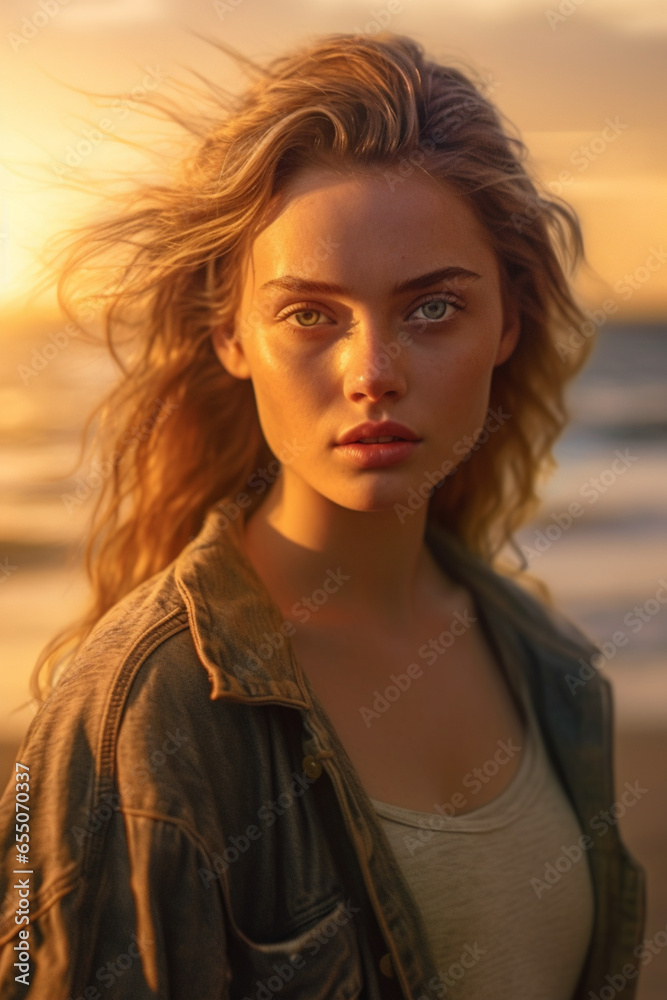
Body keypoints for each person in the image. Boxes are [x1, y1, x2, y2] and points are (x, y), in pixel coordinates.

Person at [0, 30, 646, 1000]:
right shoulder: (146, 715)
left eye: (432, 309)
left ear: (506, 324)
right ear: (232, 335)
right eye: (311, 313)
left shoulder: (550, 665)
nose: (373, 372)